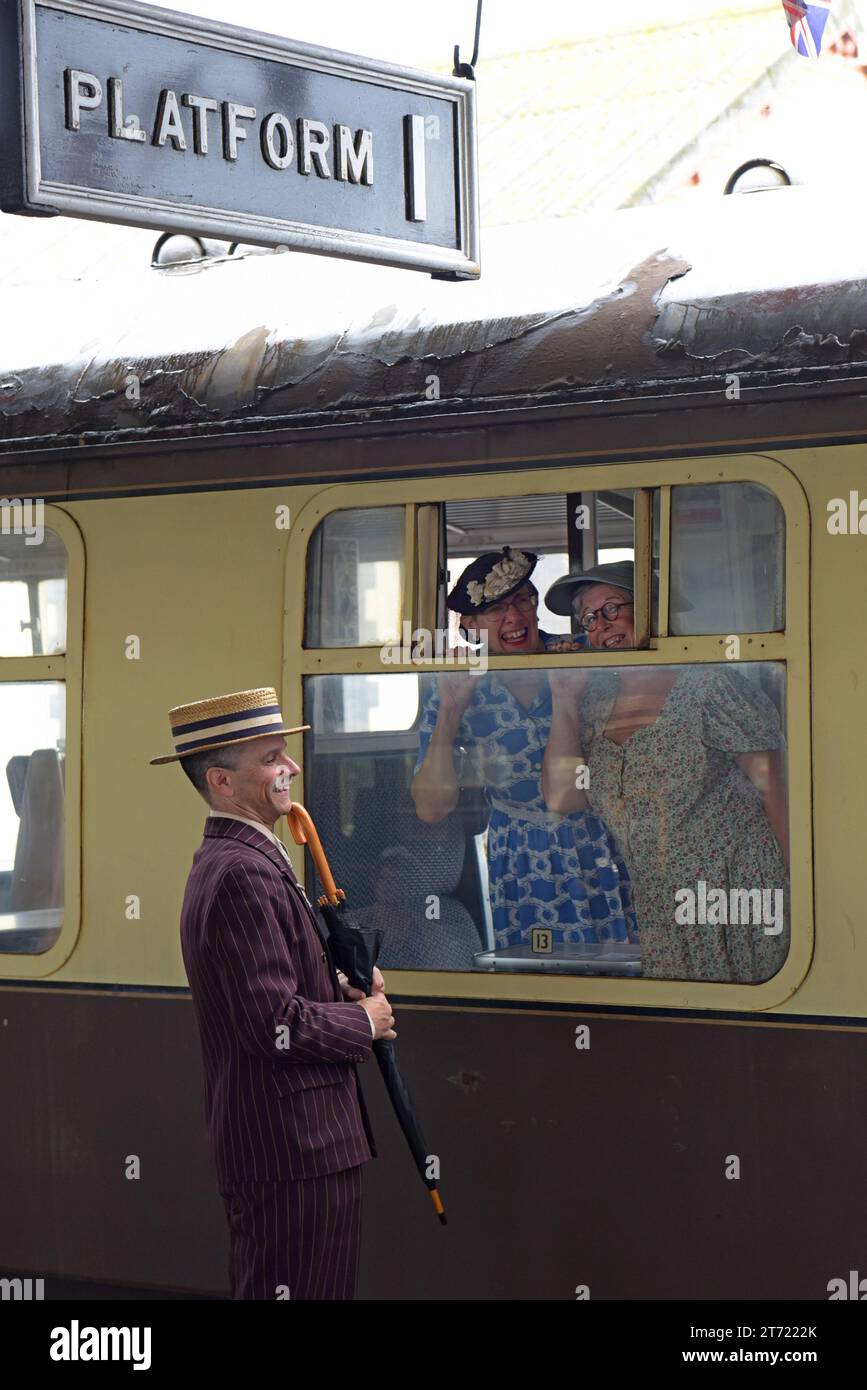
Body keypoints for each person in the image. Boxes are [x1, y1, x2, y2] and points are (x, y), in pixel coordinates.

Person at [150, 687, 396, 1300]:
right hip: (292, 1145)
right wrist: (363, 1021)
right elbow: (270, 1024)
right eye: (271, 757)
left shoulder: (242, 857)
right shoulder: (242, 871)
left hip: (295, 1143)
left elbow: (271, 996)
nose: (289, 768)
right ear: (222, 783)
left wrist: (336, 992)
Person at [541, 562, 790, 982]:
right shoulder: (592, 701)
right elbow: (563, 797)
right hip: (661, 909)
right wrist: (563, 700)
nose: (600, 625)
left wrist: (806, 894)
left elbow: (778, 791)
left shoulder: (709, 686)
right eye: (588, 618)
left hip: (739, 896)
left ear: (653, 610)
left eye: (612, 608)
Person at [412, 547, 634, 950]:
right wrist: (449, 710)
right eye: (496, 609)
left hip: (602, 838)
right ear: (470, 626)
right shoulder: (460, 686)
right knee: (543, 972)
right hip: (520, 856)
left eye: (521, 601)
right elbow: (431, 808)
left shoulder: (580, 656)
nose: (513, 618)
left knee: (623, 964)